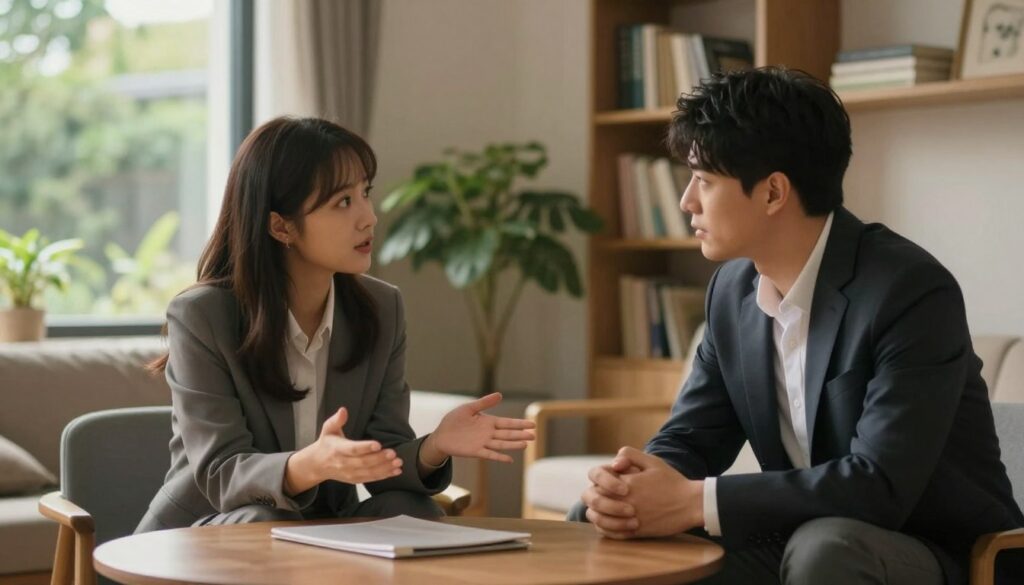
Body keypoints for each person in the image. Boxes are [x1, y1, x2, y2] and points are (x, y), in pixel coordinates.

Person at [569, 67, 1024, 585]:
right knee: (599, 522)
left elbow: (878, 485)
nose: (686, 202)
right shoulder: (731, 291)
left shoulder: (909, 291)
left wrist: (694, 500)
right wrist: (628, 489)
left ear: (772, 193)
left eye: (705, 180)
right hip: (799, 535)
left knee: (824, 548)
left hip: (942, 552)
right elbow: (693, 439)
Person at [137, 116, 535, 531]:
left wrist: (435, 446)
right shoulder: (202, 316)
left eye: (365, 193)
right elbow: (222, 474)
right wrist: (309, 464)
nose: (369, 218)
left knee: (407, 507)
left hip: (319, 532)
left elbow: (382, 457)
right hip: (206, 531)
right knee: (264, 520)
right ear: (281, 225)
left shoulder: (383, 308)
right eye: (343, 202)